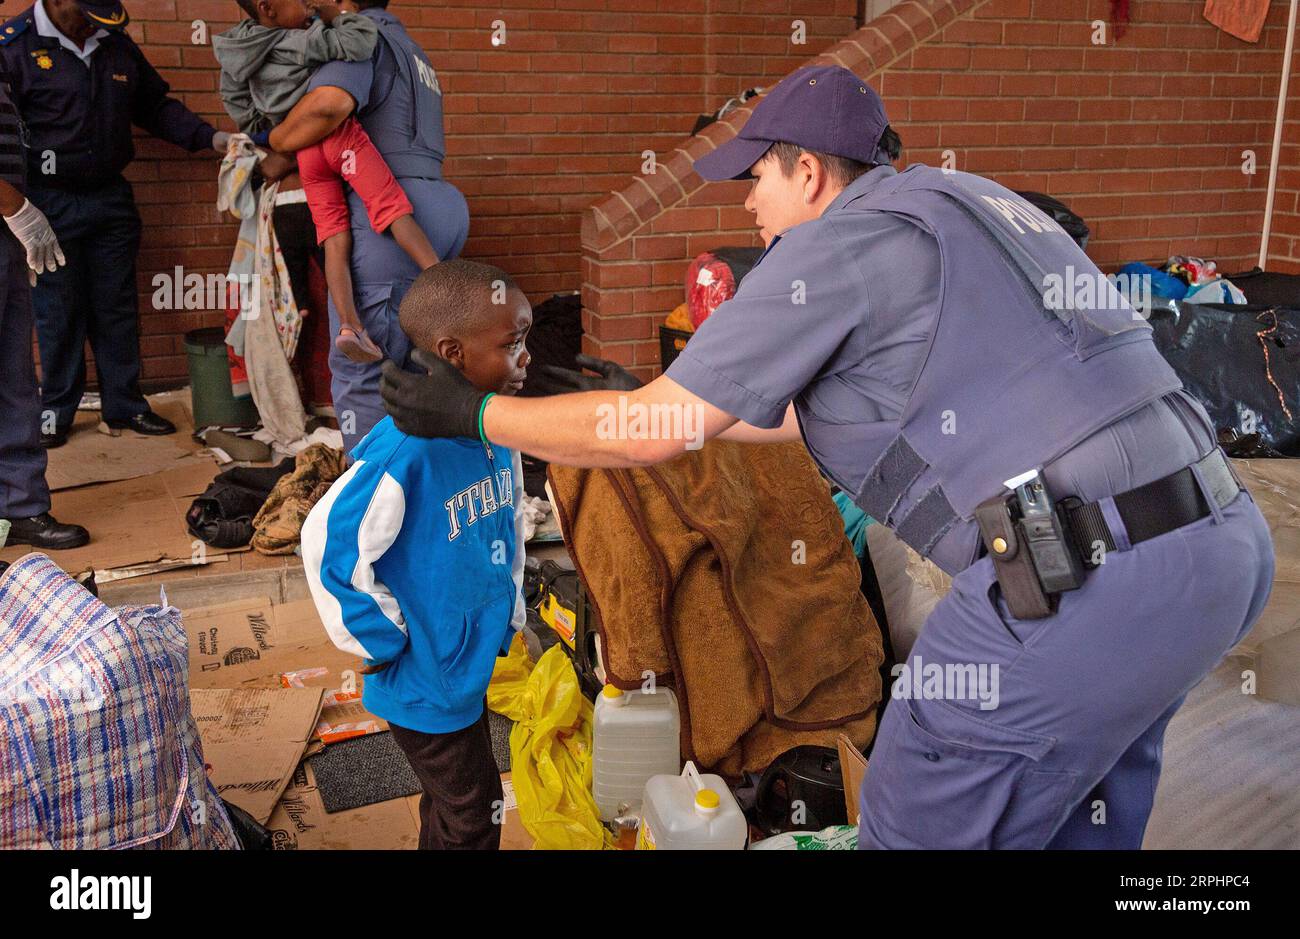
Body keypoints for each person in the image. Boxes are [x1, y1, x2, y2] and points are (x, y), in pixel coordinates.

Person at [379, 66, 1276, 850]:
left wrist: (482, 412)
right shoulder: (966, 205)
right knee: (1076, 815)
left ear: (808, 171)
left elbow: (652, 431)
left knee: (915, 804)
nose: (748, 202)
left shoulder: (838, 242)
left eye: (757, 175)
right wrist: (641, 403)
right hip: (1215, 554)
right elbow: (799, 418)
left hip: (1079, 578)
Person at [300, 259, 531, 850]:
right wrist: (383, 639)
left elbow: (502, 531)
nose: (525, 356)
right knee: (477, 816)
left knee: (455, 804)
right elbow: (327, 543)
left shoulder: (497, 430)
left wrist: (509, 614)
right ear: (453, 352)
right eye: (512, 344)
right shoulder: (406, 452)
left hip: (463, 664)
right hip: (422, 676)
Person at [0, 0, 231, 449]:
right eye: (86, 13)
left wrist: (210, 138)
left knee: (117, 305)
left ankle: (125, 404)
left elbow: (154, 107)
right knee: (57, 309)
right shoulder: (15, 46)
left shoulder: (114, 44)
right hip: (47, 203)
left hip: (109, 197)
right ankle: (58, 408)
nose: (93, 24)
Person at [259, 0, 469, 451]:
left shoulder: (355, 39)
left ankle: (374, 500)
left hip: (390, 220)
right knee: (422, 359)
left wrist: (275, 141)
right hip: (442, 204)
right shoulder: (412, 48)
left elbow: (330, 104)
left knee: (365, 373)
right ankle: (430, 481)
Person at [213, 0, 439, 364]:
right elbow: (358, 43)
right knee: (391, 208)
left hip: (306, 156)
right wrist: (342, 15)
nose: (307, 4)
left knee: (334, 238)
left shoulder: (237, 52)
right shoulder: (298, 40)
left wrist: (277, 133)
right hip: (337, 138)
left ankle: (350, 327)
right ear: (267, 8)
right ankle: (444, 281)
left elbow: (245, 114)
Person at [0, 0, 87, 548]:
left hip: (3, 230)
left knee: (13, 375)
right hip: (5, 214)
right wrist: (17, 209)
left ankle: (21, 506)